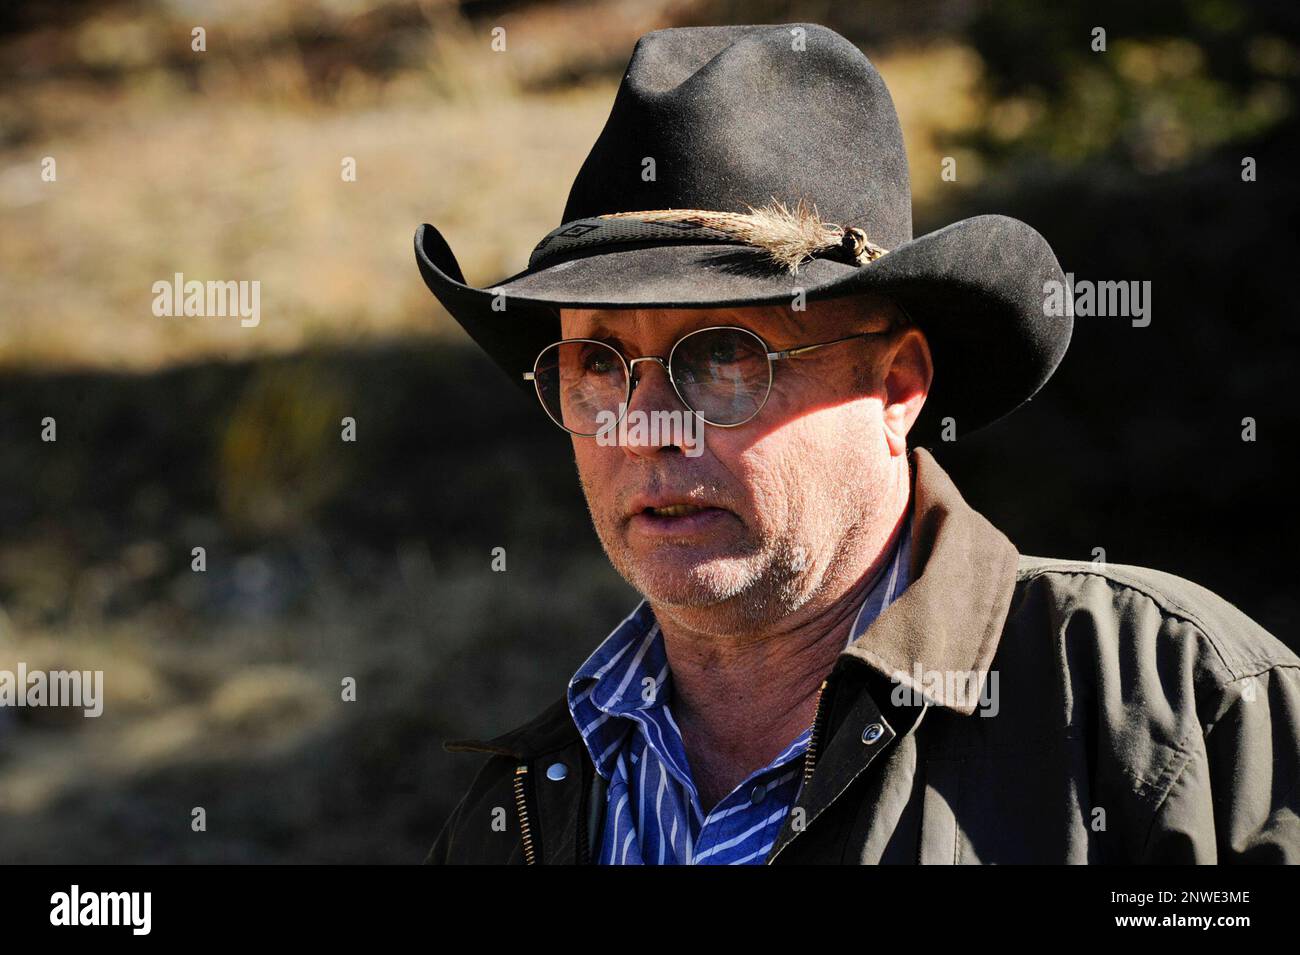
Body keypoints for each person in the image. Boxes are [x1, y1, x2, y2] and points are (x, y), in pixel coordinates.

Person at [413, 22, 1299, 864]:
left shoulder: (1173, 707)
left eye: (724, 354)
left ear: (897, 386)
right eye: (598, 363)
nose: (646, 423)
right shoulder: (518, 811)